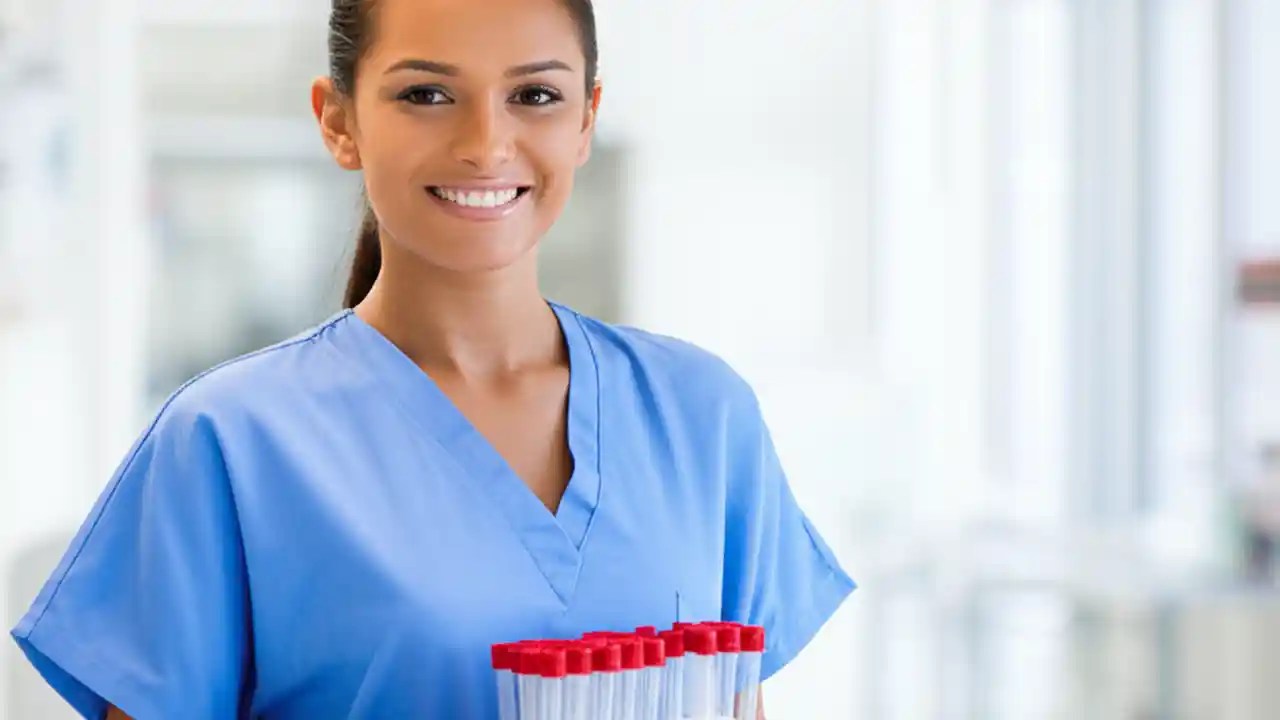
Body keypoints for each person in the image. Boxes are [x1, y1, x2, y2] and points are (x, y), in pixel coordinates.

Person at [9, 0, 855, 717]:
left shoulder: (701, 416)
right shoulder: (230, 442)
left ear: (587, 119)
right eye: (426, 93)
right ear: (338, 120)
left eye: (534, 94)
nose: (486, 144)